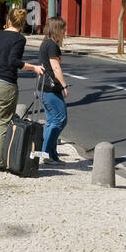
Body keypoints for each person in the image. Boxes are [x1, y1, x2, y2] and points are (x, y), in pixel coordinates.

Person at [0, 7, 43, 172]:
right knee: (4, 123)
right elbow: (14, 61)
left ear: (9, 20)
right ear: (21, 23)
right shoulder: (19, 39)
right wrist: (33, 67)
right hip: (5, 84)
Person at [36, 16, 71, 163]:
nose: (65, 31)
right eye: (63, 28)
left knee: (52, 120)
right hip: (50, 88)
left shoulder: (45, 43)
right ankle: (45, 153)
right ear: (57, 29)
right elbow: (55, 67)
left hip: (44, 87)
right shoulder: (52, 46)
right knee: (60, 119)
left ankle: (51, 154)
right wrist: (64, 85)